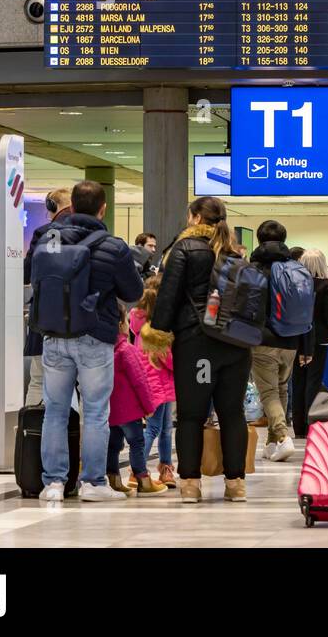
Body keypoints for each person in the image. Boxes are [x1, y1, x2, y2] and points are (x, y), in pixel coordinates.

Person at [36, 181, 144, 502]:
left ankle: (54, 483)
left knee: (54, 411)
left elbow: (33, 276)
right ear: (103, 208)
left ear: (71, 206)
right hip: (95, 337)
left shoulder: (47, 238)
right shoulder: (113, 246)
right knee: (95, 411)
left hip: (54, 335)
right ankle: (93, 483)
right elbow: (134, 293)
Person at [144, 196, 251, 504]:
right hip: (235, 345)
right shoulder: (236, 252)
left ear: (192, 217)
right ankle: (236, 484)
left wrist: (158, 336)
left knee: (191, 415)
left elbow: (168, 295)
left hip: (197, 344)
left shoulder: (184, 249)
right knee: (233, 414)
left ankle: (190, 483)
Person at [248, 220, 313, 463]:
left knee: (269, 393)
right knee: (281, 388)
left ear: (259, 239)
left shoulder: (254, 269)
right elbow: (308, 310)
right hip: (291, 340)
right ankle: (272, 442)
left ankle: (284, 438)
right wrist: (306, 346)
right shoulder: (296, 268)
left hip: (263, 339)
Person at [107, 308, 166, 497]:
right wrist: (149, 407)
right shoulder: (127, 350)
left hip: (110, 411)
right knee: (137, 443)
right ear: (120, 325)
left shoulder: (104, 350)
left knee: (113, 445)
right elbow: (140, 381)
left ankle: (113, 479)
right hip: (129, 411)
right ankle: (143, 480)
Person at [23, 188, 73, 406]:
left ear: (53, 207)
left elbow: (28, 272)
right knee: (81, 385)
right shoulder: (91, 232)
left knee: (38, 380)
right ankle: (78, 438)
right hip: (81, 320)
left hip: (45, 319)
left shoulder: (44, 232)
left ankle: (31, 435)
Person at [129, 275, 176, 489]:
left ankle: (166, 467)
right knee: (155, 428)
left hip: (156, 384)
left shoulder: (140, 325)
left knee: (165, 428)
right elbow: (168, 360)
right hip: (158, 385)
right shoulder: (155, 330)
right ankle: (137, 470)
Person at [291, 249, 328, 440]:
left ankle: (298, 426)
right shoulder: (326, 285)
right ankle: (312, 424)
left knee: (298, 381)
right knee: (314, 381)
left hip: (297, 337)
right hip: (320, 339)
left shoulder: (295, 283)